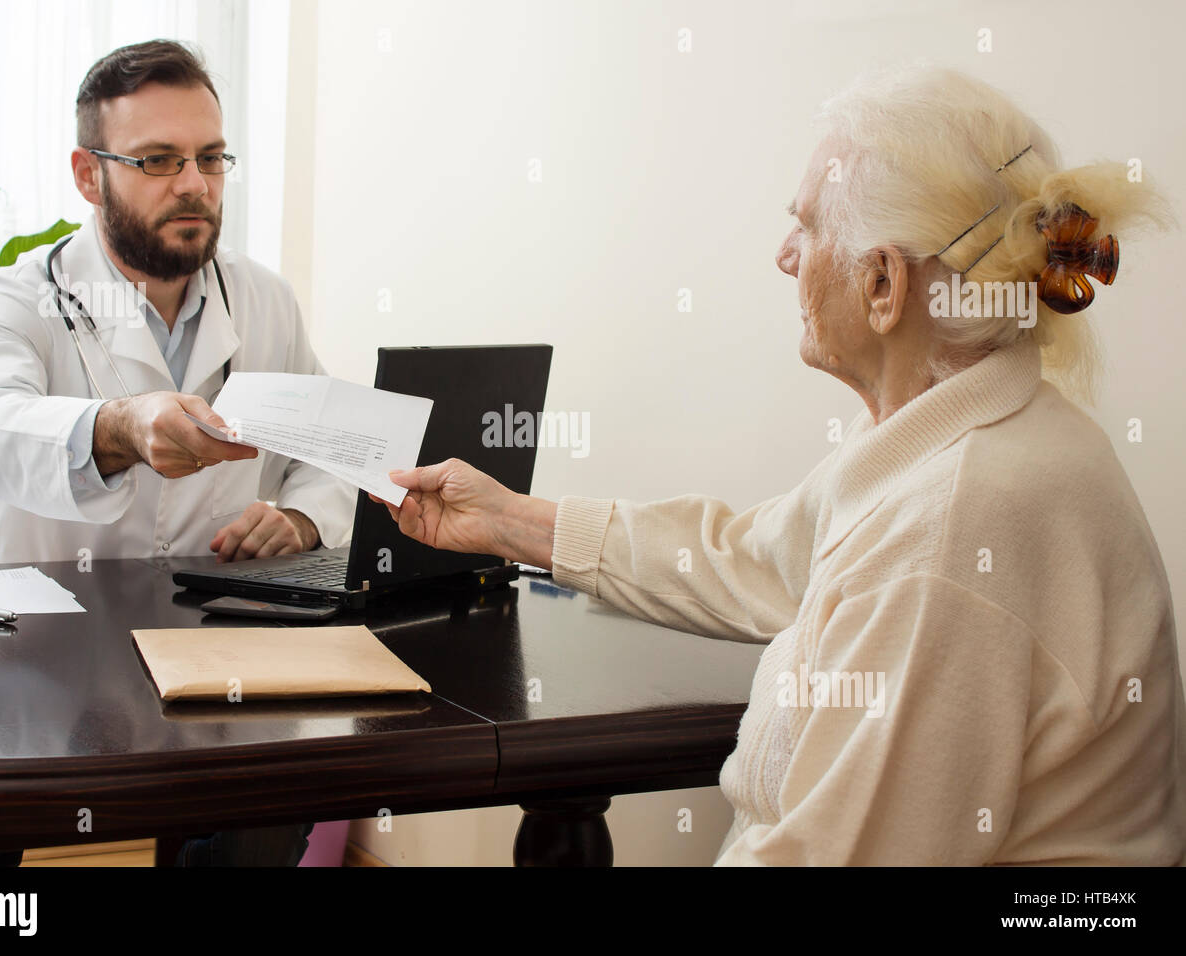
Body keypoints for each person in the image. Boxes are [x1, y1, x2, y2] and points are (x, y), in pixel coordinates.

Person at [370, 65, 1186, 865]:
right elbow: (750, 559)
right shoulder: (973, 438)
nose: (785, 255)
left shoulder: (952, 530)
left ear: (881, 284)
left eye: (807, 225)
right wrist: (508, 520)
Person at [0, 39, 353, 866]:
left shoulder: (264, 299)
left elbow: (327, 441)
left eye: (210, 158)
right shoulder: (18, 298)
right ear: (88, 173)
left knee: (267, 809)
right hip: (40, 656)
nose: (194, 185)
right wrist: (119, 427)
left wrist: (303, 517)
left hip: (211, 650)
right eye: (158, 160)